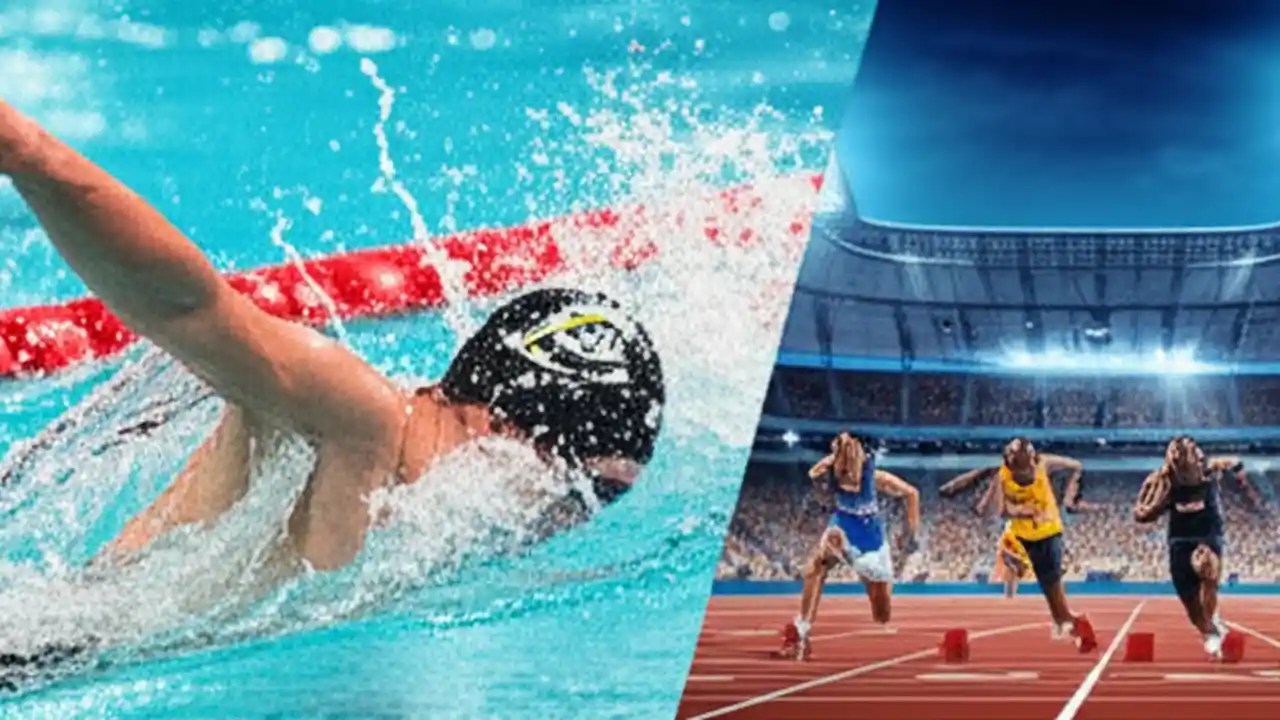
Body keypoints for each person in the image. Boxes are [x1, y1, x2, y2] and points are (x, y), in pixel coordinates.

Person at [0, 102, 664, 659]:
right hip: (43, 652)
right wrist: (28, 152)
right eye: (589, 489)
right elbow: (189, 307)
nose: (572, 520)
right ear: (505, 425)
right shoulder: (363, 417)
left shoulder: (417, 505)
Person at [940, 439, 1097, 651]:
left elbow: (1076, 466)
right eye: (1020, 471)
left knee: (1055, 600)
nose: (1024, 474)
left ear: (1034, 460)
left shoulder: (1045, 464)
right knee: (1053, 601)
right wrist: (1020, 511)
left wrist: (1071, 497)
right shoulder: (1004, 475)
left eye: (1028, 469)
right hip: (1022, 537)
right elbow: (999, 511)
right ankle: (1075, 625)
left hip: (1048, 535)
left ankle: (1079, 626)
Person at [776, 432, 920, 661]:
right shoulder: (830, 471)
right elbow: (815, 475)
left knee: (882, 616)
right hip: (842, 527)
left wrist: (911, 535)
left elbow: (912, 493)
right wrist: (835, 455)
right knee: (816, 567)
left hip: (872, 544)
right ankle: (801, 630)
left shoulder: (876, 478)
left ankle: (854, 559)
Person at [1134, 436, 1246, 659]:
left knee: (1208, 568)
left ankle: (1212, 619)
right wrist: (1157, 505)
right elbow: (1140, 513)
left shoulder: (1211, 470)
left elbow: (1235, 462)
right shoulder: (1162, 481)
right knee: (1192, 606)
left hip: (1207, 535)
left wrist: (1239, 471)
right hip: (1179, 541)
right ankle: (1209, 631)